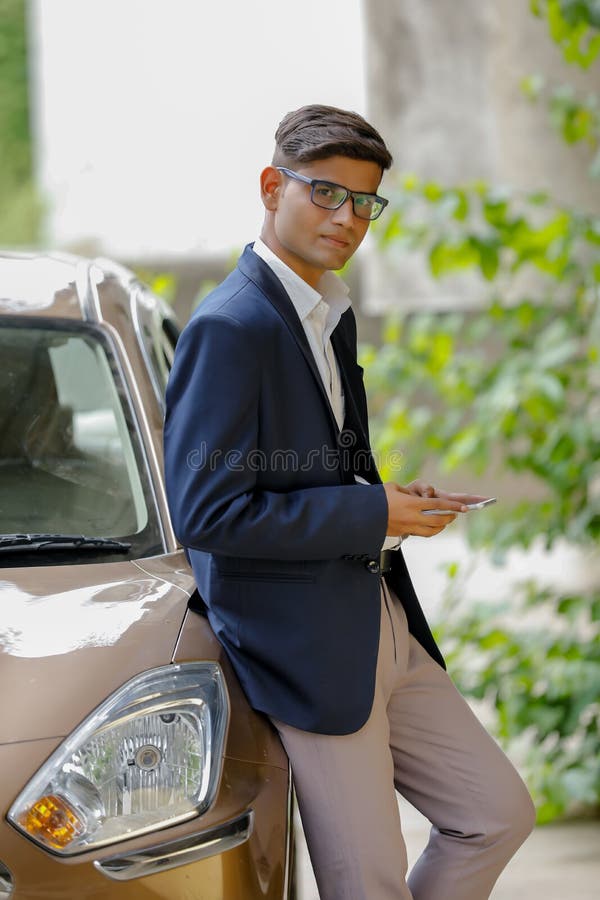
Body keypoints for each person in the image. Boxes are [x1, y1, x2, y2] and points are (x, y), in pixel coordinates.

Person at [163, 104, 535, 900]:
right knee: (370, 880)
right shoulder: (232, 327)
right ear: (273, 187)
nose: (348, 218)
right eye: (326, 194)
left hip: (378, 617)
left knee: (496, 812)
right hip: (304, 644)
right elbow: (208, 513)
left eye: (365, 202)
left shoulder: (328, 312)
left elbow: (317, 472)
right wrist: (374, 516)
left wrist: (389, 502)